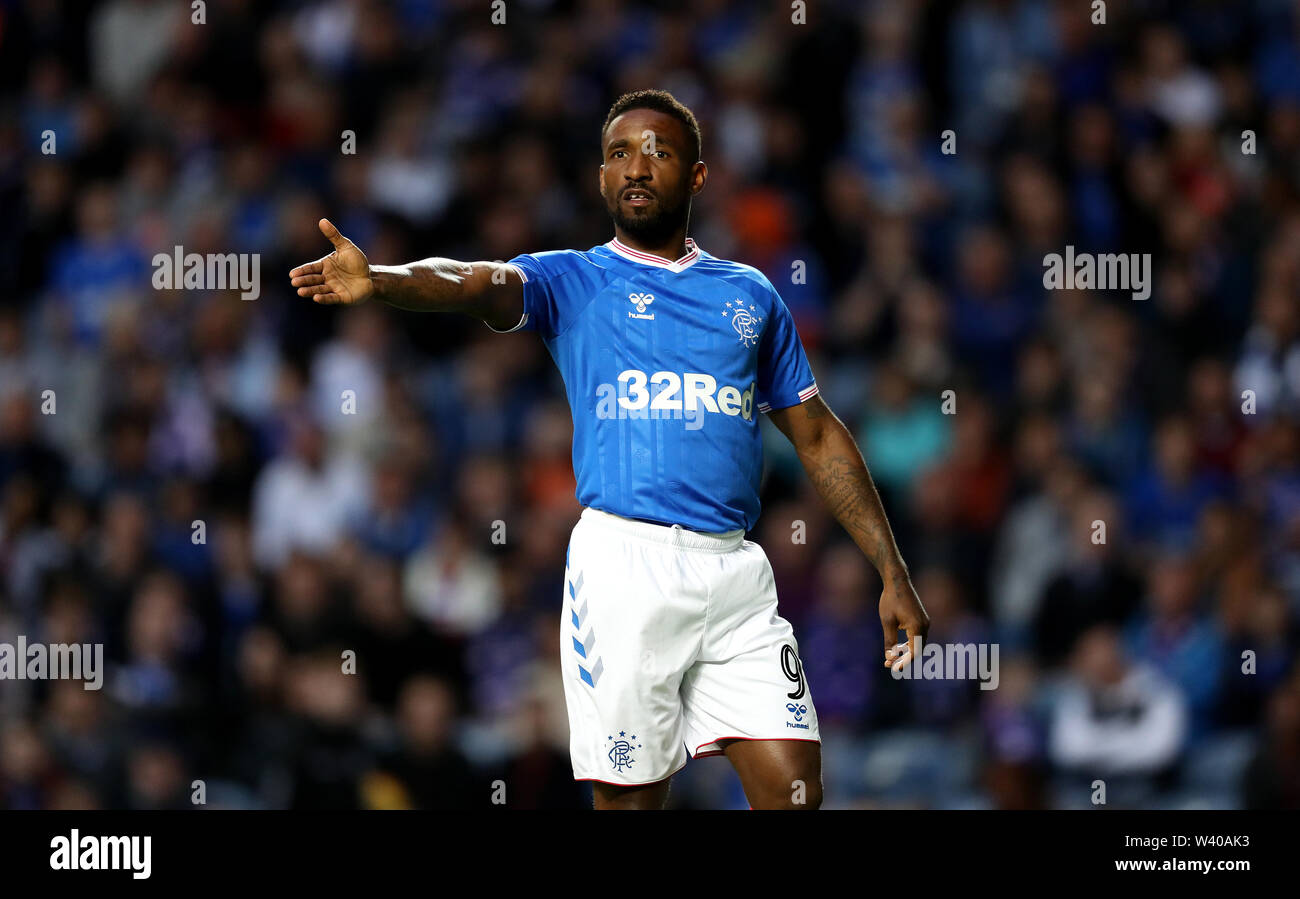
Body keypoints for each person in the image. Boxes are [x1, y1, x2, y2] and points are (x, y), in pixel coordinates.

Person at [288, 89, 927, 809]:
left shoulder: (750, 296)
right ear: (600, 177)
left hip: (736, 574)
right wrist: (384, 281)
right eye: (619, 153)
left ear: (697, 177)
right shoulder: (574, 278)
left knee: (797, 794)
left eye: (658, 153)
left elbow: (815, 434)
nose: (637, 167)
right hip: (624, 572)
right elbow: (475, 282)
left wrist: (890, 567)